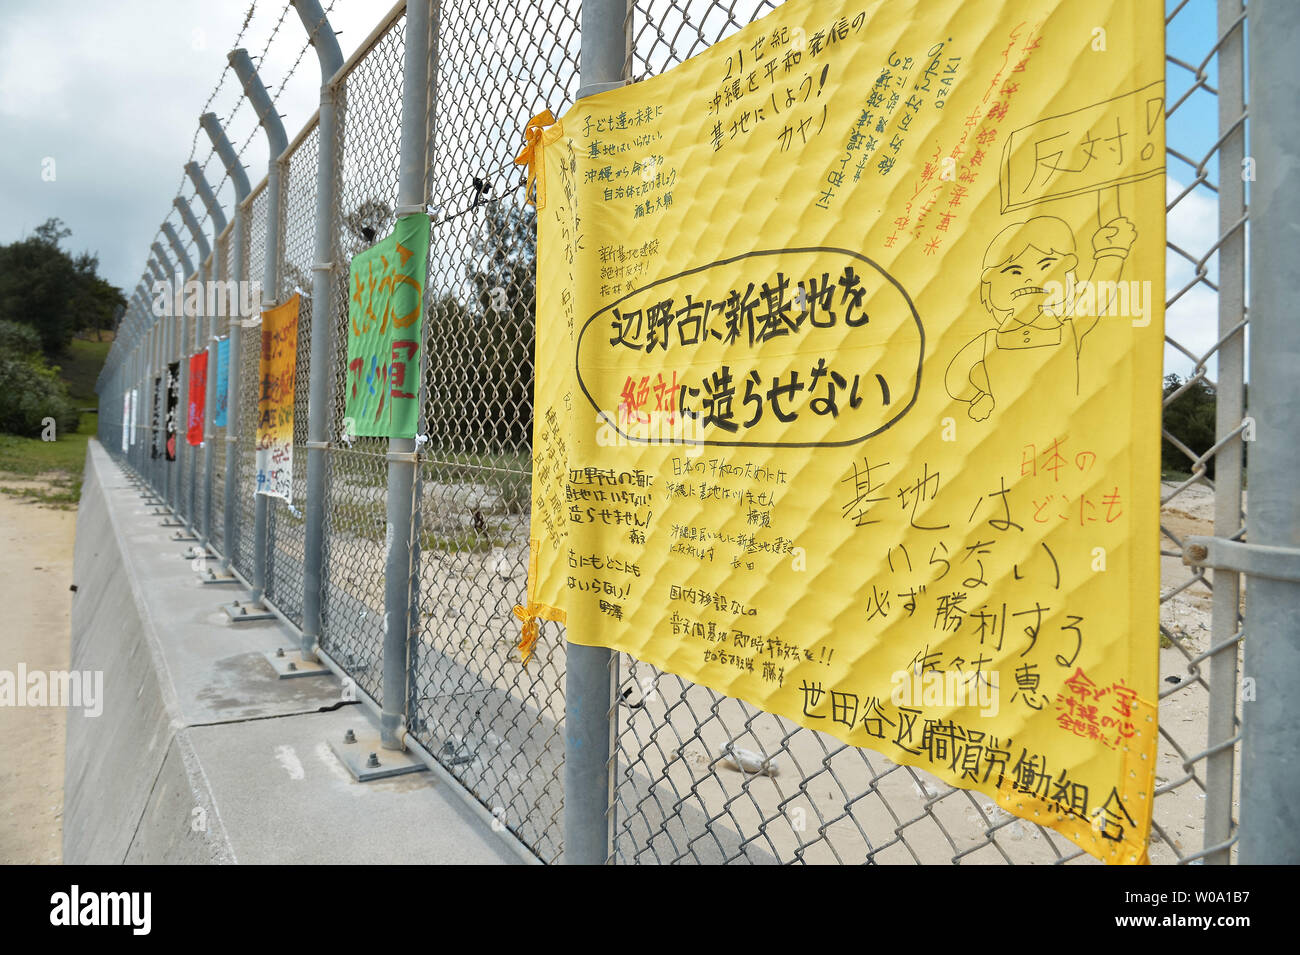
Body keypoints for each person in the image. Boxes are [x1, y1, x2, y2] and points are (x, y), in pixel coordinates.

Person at [945, 214, 1137, 421]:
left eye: (1047, 266)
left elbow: (1097, 294)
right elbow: (953, 377)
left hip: (1068, 426)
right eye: (1014, 271)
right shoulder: (989, 341)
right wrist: (981, 394)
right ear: (989, 281)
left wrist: (1111, 253)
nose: (1030, 278)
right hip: (1006, 431)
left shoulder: (1070, 329)